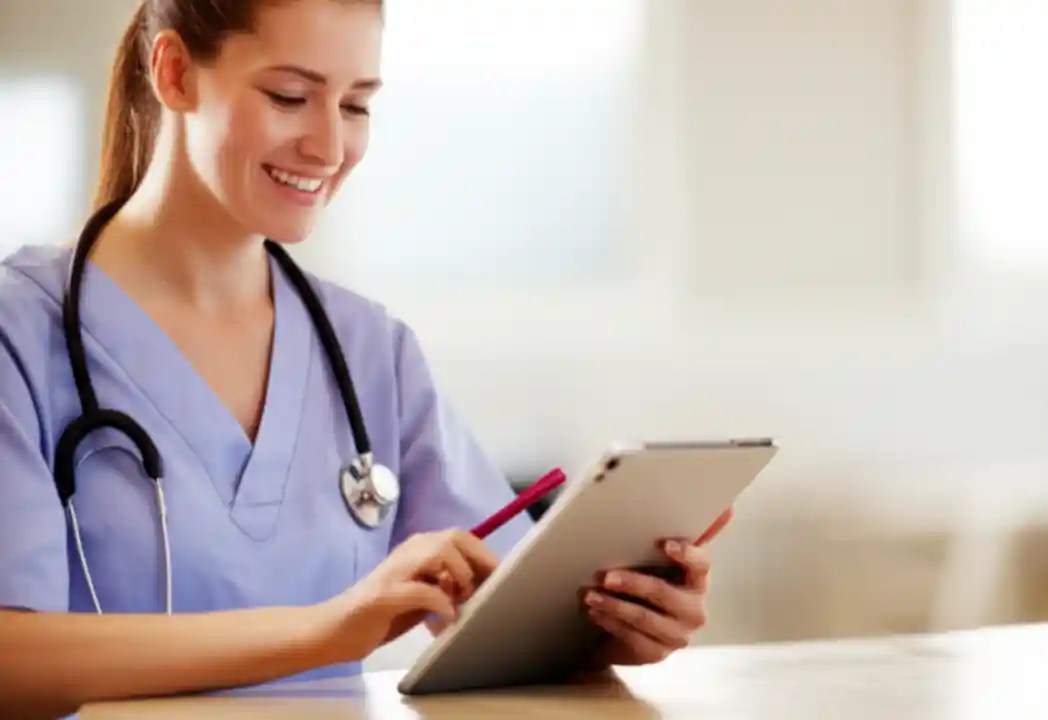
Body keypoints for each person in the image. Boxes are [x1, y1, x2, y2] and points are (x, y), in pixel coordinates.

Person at [0, 1, 731, 716]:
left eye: (355, 106)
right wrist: (328, 629)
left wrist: (607, 626)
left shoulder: (370, 351)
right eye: (290, 97)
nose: (329, 147)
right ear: (175, 73)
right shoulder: (19, 334)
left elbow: (503, 610)